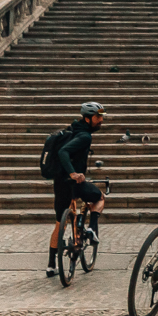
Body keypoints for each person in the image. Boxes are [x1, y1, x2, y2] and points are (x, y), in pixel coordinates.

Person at [47, 101, 106, 279]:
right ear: (88, 119)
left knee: (60, 222)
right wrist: (74, 173)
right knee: (100, 197)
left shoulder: (71, 129)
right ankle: (92, 229)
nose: (101, 120)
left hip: (60, 183)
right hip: (74, 183)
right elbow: (63, 152)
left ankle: (51, 265)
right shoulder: (85, 136)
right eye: (98, 117)